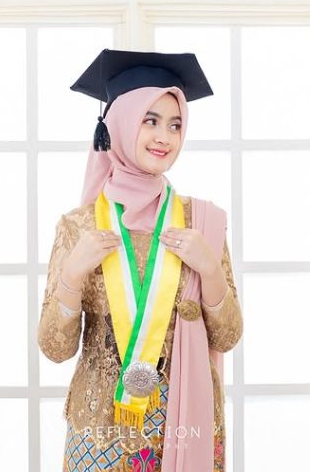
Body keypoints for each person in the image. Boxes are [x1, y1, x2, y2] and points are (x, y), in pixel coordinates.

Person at [38, 48, 243, 472]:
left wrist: (209, 269)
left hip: (187, 426)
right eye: (149, 120)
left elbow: (227, 337)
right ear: (119, 124)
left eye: (175, 124)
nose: (164, 137)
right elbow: (55, 348)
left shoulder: (202, 222)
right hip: (101, 431)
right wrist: (72, 275)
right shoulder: (78, 227)